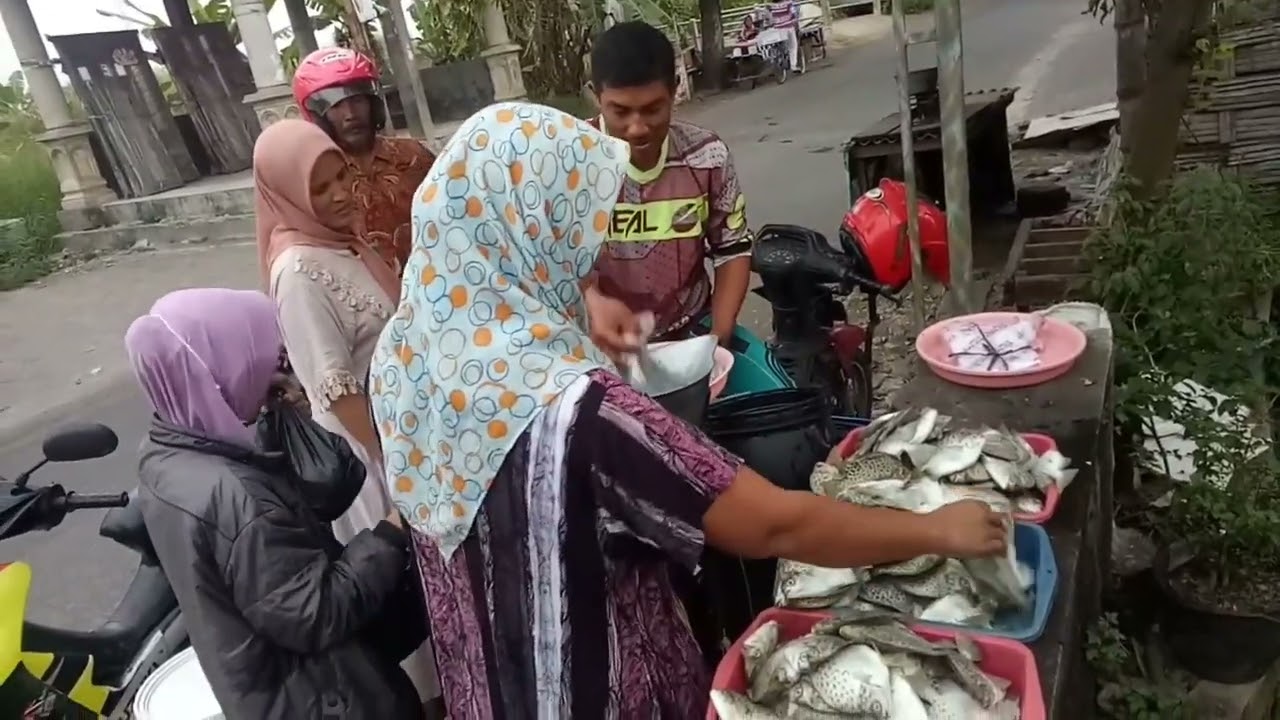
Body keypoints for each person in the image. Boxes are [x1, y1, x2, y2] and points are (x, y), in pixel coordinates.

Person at [368, 101, 1008, 717]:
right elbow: (771, 527)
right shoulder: (581, 412)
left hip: (487, 691)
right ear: (535, 235)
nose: (589, 251)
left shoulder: (402, 360)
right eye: (576, 228)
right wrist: (935, 530)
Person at [126, 288, 422, 720]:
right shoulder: (237, 496)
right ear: (226, 368)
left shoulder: (167, 450)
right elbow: (318, 613)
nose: (273, 368)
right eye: (262, 359)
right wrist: (391, 532)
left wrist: (289, 417)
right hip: (324, 698)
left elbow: (327, 492)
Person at [253, 118, 443, 712]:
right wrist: (395, 464)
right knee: (404, 597)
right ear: (286, 192)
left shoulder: (343, 244)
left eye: (341, 177)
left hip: (403, 436)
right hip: (369, 456)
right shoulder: (299, 271)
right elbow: (333, 388)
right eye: (320, 186)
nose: (341, 194)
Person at [584, 21, 753, 350]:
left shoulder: (707, 158)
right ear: (595, 96)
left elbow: (732, 250)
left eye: (652, 109)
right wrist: (592, 303)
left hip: (690, 330)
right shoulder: (566, 161)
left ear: (676, 89)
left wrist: (716, 341)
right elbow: (544, 264)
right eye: (620, 112)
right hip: (597, 346)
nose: (637, 128)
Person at [292, 47, 437, 269]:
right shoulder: (315, 181)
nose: (350, 114)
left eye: (358, 100)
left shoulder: (414, 156)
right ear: (317, 115)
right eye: (336, 106)